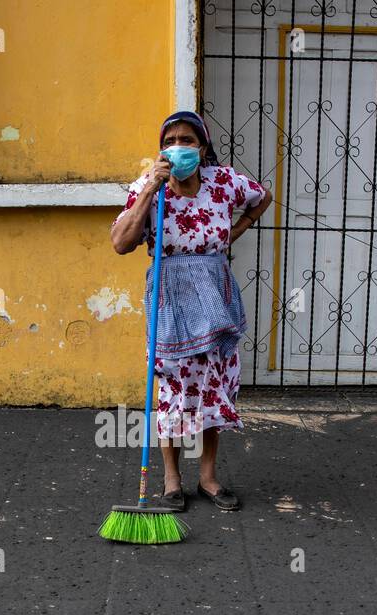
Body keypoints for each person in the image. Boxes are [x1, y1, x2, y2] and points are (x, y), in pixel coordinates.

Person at [110, 110, 272, 512]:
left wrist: (236, 230)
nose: (179, 147)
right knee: (172, 391)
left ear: (202, 146)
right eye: (171, 140)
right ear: (161, 148)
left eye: (187, 140)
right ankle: (170, 480)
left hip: (214, 293)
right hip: (171, 295)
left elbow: (262, 196)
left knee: (213, 386)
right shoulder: (148, 187)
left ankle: (208, 478)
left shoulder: (223, 183)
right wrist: (150, 190)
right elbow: (120, 243)